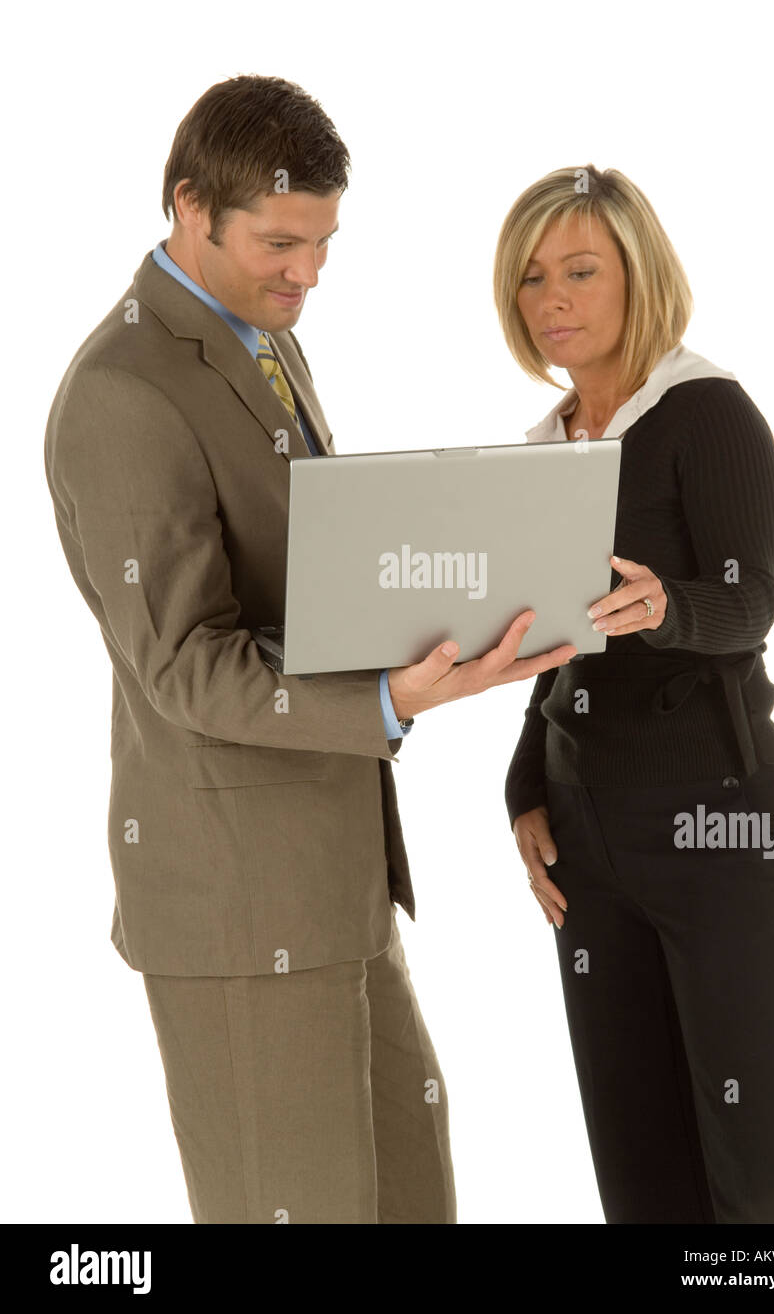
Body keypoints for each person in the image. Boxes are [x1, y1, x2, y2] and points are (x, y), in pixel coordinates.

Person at [43, 75, 577, 1225]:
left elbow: (300, 581)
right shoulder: (123, 392)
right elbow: (184, 665)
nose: (308, 273)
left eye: (324, 243)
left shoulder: (262, 341)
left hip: (334, 879)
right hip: (240, 900)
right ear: (190, 206)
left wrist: (444, 599)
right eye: (280, 243)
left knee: (411, 1195)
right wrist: (389, 695)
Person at [499, 164, 774, 1224]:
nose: (550, 298)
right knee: (639, 1165)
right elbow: (547, 650)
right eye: (531, 277)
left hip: (720, 829)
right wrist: (524, 786)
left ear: (637, 274)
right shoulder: (542, 449)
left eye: (580, 270)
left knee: (761, 1174)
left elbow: (752, 603)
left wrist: (666, 607)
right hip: (586, 842)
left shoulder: (705, 412)